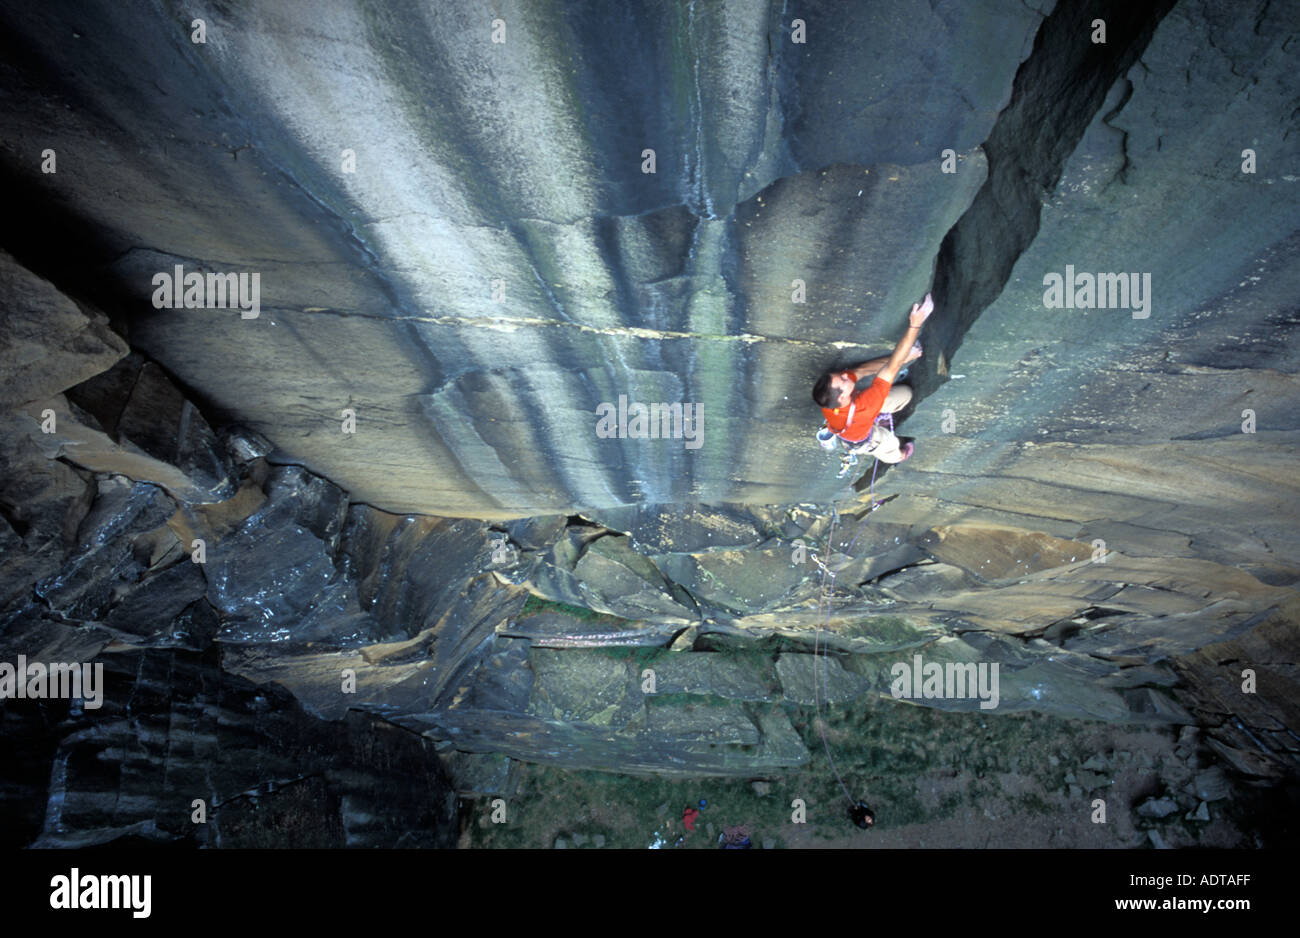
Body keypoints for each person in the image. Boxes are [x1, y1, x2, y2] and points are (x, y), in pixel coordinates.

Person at [812, 293, 935, 469]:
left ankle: (877, 418)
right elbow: (892, 367)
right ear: (842, 398)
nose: (846, 375)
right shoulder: (866, 404)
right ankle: (900, 456)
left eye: (841, 376)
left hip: (855, 418)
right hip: (863, 438)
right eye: (843, 380)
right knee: (890, 445)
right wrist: (916, 323)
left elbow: (862, 370)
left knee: (905, 395)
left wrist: (905, 358)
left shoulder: (828, 399)